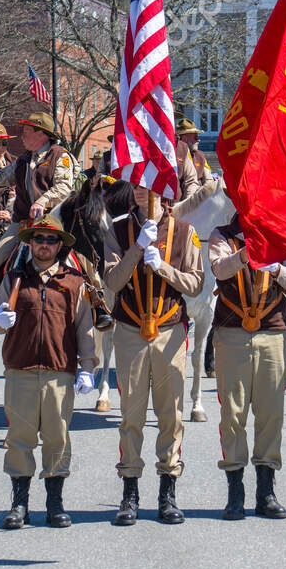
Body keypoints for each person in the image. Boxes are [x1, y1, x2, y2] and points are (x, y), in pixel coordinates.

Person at [104, 181, 206, 526]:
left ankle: (168, 490)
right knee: (131, 414)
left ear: (166, 194)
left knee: (170, 414)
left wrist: (161, 266)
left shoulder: (186, 231)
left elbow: (196, 283)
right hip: (131, 329)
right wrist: (136, 249)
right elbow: (113, 282)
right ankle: (130, 491)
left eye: (148, 186)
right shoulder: (118, 228)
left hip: (169, 330)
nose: (139, 192)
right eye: (135, 186)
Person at [0, 217, 100, 529]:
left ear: (59, 245)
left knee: (57, 438)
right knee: (19, 439)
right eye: (39, 238)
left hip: (58, 371)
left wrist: (88, 366)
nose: (45, 245)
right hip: (20, 369)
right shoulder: (14, 278)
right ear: (30, 242)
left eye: (51, 240)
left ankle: (55, 503)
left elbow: (85, 328)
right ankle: (19, 504)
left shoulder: (74, 282)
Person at [207, 211, 286, 520]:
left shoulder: (281, 233)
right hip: (232, 331)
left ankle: (266, 491)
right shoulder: (223, 234)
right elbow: (219, 271)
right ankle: (235, 492)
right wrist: (246, 253)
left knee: (271, 413)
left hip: (273, 331)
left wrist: (276, 268)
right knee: (232, 413)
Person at [0, 113, 78, 327]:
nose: (22, 136)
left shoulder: (60, 156)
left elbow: (64, 187)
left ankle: (97, 299)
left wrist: (43, 201)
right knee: (0, 252)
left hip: (53, 222)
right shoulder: (23, 160)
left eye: (27, 131)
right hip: (22, 223)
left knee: (83, 255)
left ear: (42, 134)